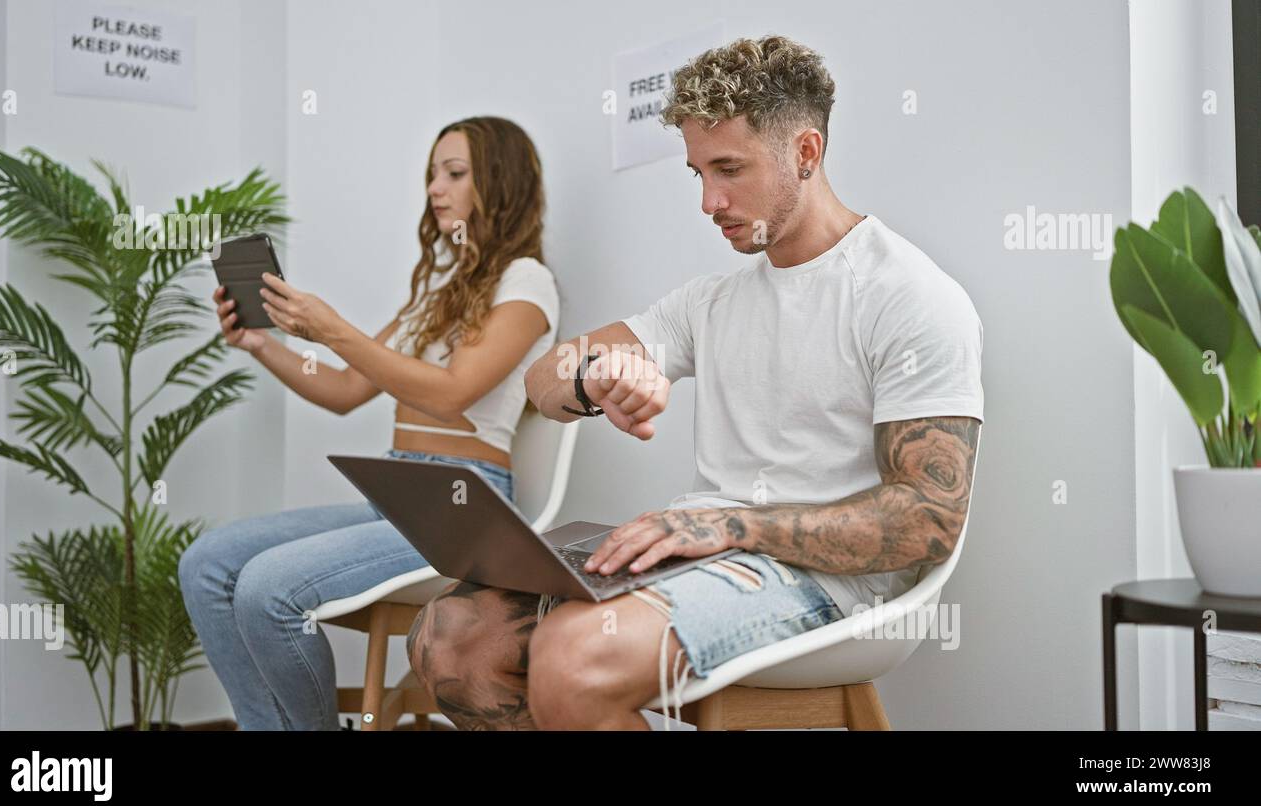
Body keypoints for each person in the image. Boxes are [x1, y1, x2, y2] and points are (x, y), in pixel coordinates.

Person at [407, 35, 984, 730]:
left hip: (835, 587)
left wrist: (730, 524)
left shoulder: (909, 295)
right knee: (449, 635)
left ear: (805, 153)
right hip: (704, 551)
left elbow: (926, 523)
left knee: (570, 655)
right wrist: (597, 378)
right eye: (698, 173)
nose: (710, 200)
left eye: (730, 169)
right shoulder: (711, 301)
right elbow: (542, 379)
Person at [179, 116, 560, 730]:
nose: (436, 188)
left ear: (501, 184)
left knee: (266, 589)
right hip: (398, 494)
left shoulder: (526, 283)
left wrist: (333, 328)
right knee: (207, 564)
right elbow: (345, 389)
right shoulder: (435, 292)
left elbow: (452, 394)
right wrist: (260, 343)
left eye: (455, 173)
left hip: (464, 504)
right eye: (432, 173)